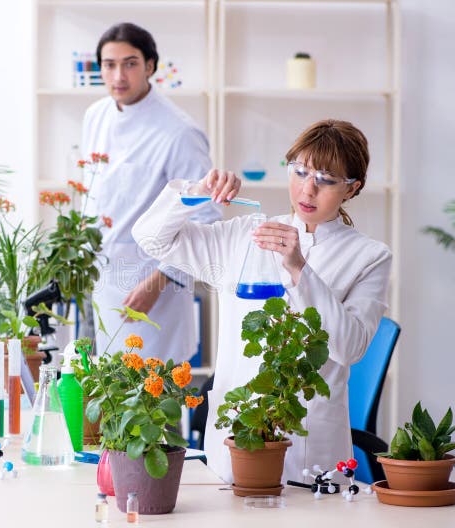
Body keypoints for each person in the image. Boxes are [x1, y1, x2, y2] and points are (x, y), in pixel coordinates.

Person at [131, 119, 392, 483]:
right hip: (233, 443)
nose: (308, 188)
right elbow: (151, 238)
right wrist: (198, 191)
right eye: (299, 171)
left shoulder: (369, 256)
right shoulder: (245, 234)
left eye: (326, 179)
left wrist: (299, 268)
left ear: (352, 188)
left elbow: (348, 347)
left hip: (309, 451)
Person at [82, 22, 220, 361]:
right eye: (109, 65)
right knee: (101, 399)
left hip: (151, 291)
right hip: (101, 282)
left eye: (129, 63)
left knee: (154, 400)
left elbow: (204, 219)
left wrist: (157, 282)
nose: (118, 76)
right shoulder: (95, 116)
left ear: (150, 66)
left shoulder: (179, 132)